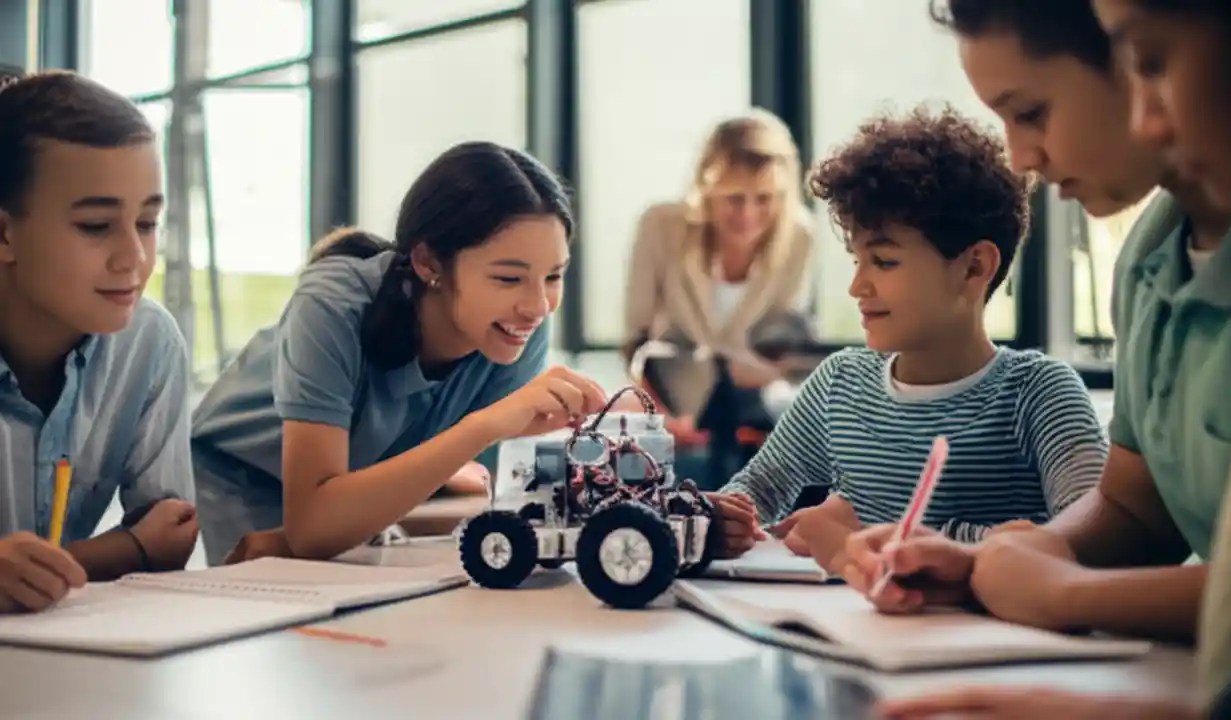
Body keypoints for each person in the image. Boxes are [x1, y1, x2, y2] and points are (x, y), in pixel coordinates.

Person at [871, 0, 1231, 716]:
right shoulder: (1151, 254)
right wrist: (1008, 566)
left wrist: (1070, 594)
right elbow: (1134, 504)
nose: (1020, 158)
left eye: (1030, 112)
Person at [190, 142, 623, 564]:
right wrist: (484, 427)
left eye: (553, 276)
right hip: (244, 471)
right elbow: (310, 529)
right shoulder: (332, 303)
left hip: (355, 480)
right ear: (428, 263)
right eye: (509, 278)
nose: (537, 306)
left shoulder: (518, 326)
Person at [719, 106, 1106, 566]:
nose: (857, 287)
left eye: (883, 262)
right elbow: (756, 490)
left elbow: (1092, 542)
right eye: (856, 260)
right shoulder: (840, 384)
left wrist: (871, 539)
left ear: (974, 267)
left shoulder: (1039, 395)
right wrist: (725, 518)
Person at [0, 71, 199, 611]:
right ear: (5, 234)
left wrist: (38, 571)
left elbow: (169, 536)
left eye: (149, 222)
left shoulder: (148, 343)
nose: (133, 257)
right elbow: (144, 541)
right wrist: (119, 549)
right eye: (95, 225)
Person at [623, 109, 816, 485]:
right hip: (674, 397)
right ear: (706, 188)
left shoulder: (800, 238)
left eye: (765, 198)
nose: (748, 215)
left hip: (751, 402)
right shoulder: (660, 226)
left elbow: (781, 337)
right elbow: (636, 339)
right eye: (733, 198)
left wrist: (767, 375)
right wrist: (659, 416)